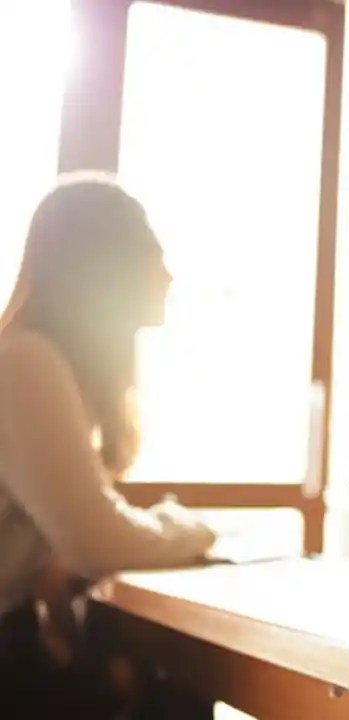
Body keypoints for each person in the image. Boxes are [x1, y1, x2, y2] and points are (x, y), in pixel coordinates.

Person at [0, 173, 216, 717]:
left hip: (16, 638)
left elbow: (73, 540)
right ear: (104, 265)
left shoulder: (38, 361)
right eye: (152, 252)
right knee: (175, 692)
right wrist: (190, 528)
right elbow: (96, 540)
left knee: (167, 687)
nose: (167, 273)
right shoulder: (24, 361)